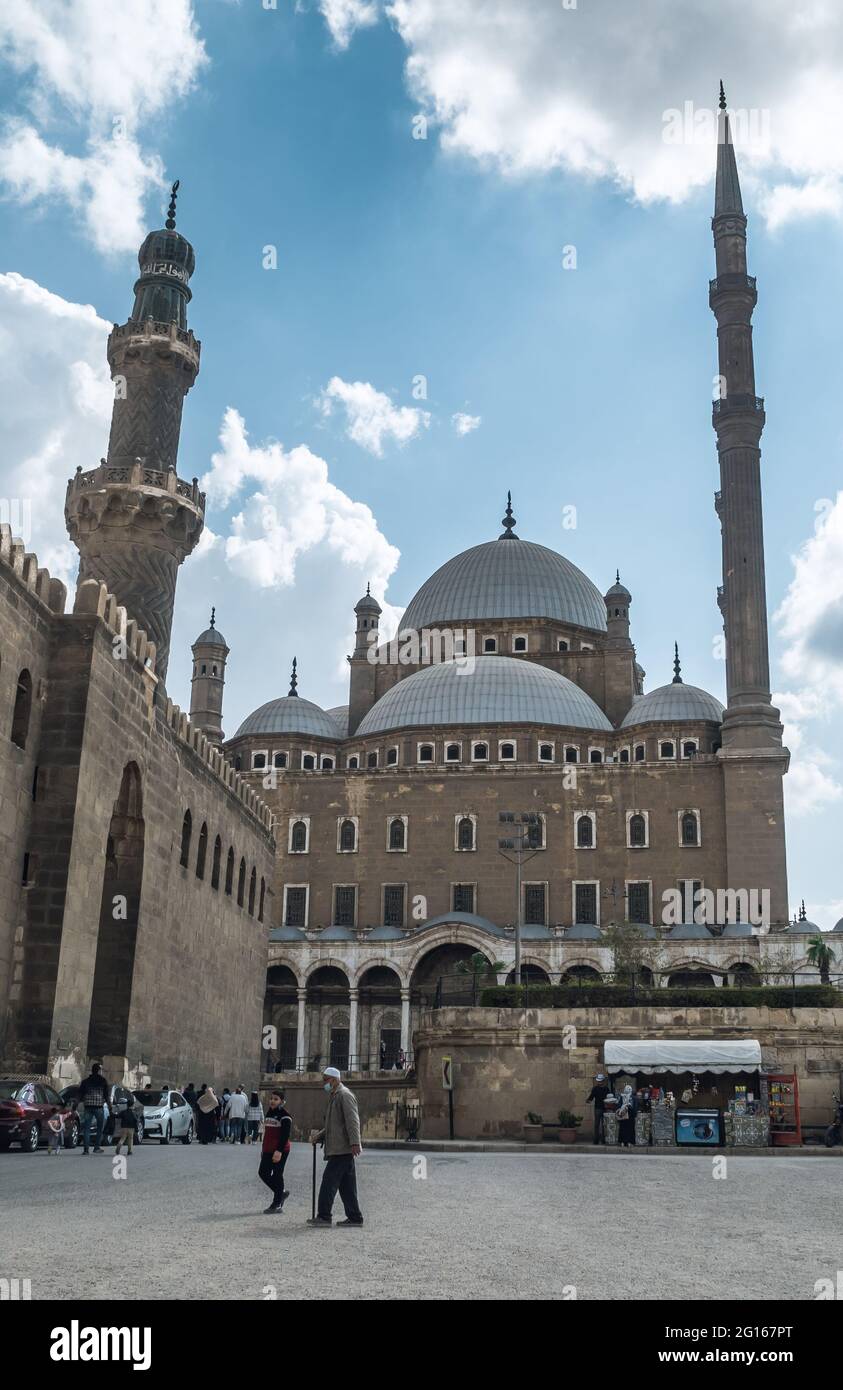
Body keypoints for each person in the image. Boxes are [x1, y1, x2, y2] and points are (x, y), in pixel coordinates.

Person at [308, 1067, 363, 1227]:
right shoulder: (335, 1096)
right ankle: (354, 1217)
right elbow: (334, 1125)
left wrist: (355, 1142)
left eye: (326, 1080)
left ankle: (324, 1216)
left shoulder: (344, 1095)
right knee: (347, 1186)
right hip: (340, 1148)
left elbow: (352, 1121)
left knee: (329, 1182)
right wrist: (318, 1136)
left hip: (342, 1149)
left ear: (334, 1079)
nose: (324, 1083)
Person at [258, 1090, 292, 1214]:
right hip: (268, 1149)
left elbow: (285, 1135)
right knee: (263, 1173)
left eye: (276, 1099)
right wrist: (263, 1148)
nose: (272, 1101)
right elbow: (267, 1133)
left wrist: (279, 1151)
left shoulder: (285, 1115)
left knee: (277, 1175)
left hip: (280, 1150)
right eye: (271, 1098)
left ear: (282, 1102)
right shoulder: (269, 1113)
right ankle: (281, 1193)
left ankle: (277, 1204)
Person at [79, 1063, 109, 1154]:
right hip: (99, 1107)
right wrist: (110, 1106)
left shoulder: (86, 1081)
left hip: (88, 1106)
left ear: (92, 1070)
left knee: (87, 1129)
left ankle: (86, 1149)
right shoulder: (103, 1081)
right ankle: (96, 1147)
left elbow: (80, 1094)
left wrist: (76, 1103)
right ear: (99, 1070)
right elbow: (106, 1095)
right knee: (100, 1127)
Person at [586, 1073, 610, 1145]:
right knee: (600, 1124)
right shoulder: (604, 1089)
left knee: (600, 1125)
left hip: (601, 1108)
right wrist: (589, 1100)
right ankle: (599, 1140)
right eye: (599, 1081)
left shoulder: (599, 1088)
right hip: (601, 1108)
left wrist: (588, 1100)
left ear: (602, 1081)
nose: (599, 1082)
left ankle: (599, 1140)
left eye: (600, 1081)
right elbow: (591, 1097)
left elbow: (591, 1097)